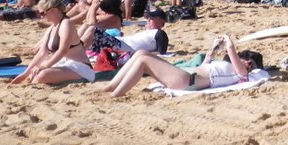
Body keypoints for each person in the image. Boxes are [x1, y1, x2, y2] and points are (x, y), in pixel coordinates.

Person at [97, 34, 262, 98]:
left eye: (246, 61)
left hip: (186, 80)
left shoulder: (241, 74)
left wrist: (228, 39)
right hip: (184, 74)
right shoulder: (230, 68)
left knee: (143, 61)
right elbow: (205, 64)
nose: (244, 61)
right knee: (141, 53)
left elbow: (231, 50)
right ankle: (111, 86)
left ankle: (116, 94)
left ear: (248, 64)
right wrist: (213, 49)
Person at [12, 0, 95, 85]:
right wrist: (25, 74)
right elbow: (41, 53)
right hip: (64, 63)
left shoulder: (66, 24)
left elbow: (63, 50)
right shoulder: (52, 28)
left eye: (42, 13)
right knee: (35, 73)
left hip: (79, 67)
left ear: (53, 10)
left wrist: (44, 66)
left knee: (41, 75)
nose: (41, 16)